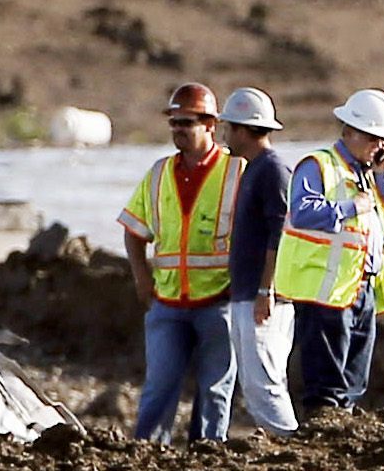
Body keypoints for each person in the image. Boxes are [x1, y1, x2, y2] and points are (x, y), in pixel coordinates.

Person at [115, 81, 238, 443]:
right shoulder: (159, 174)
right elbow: (134, 232)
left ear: (210, 125)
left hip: (219, 303)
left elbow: (260, 236)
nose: (178, 130)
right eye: (174, 122)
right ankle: (148, 454)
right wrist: (142, 280)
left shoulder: (236, 173)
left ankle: (208, 454)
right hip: (168, 304)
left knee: (215, 391)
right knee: (159, 387)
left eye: (186, 122)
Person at [273, 90, 384, 417]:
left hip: (360, 289)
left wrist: (382, 175)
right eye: (372, 138)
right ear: (348, 131)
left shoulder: (370, 175)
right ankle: (320, 433)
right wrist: (349, 208)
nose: (379, 146)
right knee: (325, 386)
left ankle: (340, 430)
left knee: (352, 383)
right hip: (325, 292)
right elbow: (303, 212)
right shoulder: (318, 165)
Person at [215, 87, 297, 435]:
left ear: (244, 129)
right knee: (257, 381)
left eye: (229, 127)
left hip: (261, 297)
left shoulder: (272, 171)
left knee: (263, 382)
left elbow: (281, 234)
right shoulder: (254, 169)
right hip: (248, 292)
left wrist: (267, 289)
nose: (224, 135)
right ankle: (288, 444)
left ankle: (290, 443)